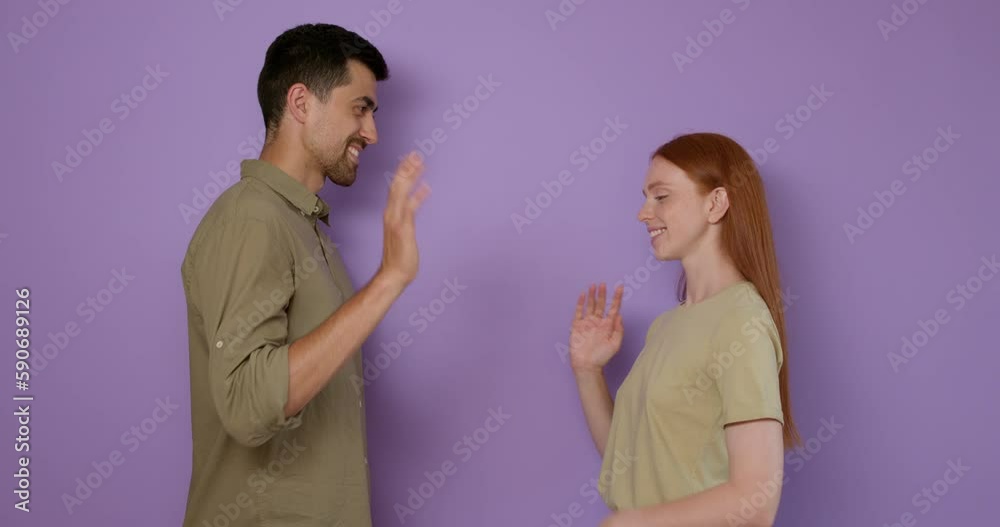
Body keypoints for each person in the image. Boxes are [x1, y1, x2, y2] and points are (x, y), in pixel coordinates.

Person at [179, 23, 429, 526]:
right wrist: (389, 279)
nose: (373, 133)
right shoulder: (252, 219)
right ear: (300, 102)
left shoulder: (301, 227)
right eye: (359, 108)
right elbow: (249, 406)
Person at [566, 132, 800, 527]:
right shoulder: (668, 326)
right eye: (645, 197)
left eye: (661, 196)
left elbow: (756, 502)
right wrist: (588, 372)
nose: (643, 213)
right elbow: (630, 463)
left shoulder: (741, 321)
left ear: (716, 203)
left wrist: (627, 523)